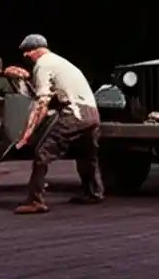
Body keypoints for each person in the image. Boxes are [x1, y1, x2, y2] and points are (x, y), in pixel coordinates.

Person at [11, 34, 103, 214]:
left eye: (27, 52)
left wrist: (27, 135)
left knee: (42, 153)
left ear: (36, 50)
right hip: (92, 114)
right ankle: (94, 192)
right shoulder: (61, 62)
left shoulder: (43, 65)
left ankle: (35, 200)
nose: (25, 56)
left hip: (74, 113)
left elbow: (41, 103)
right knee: (86, 154)